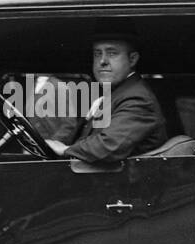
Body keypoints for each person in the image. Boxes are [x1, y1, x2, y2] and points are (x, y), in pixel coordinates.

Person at [46, 33, 168, 162]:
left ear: (132, 59)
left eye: (112, 53)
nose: (102, 61)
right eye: (97, 54)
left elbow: (109, 145)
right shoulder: (118, 93)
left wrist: (64, 150)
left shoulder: (137, 97)